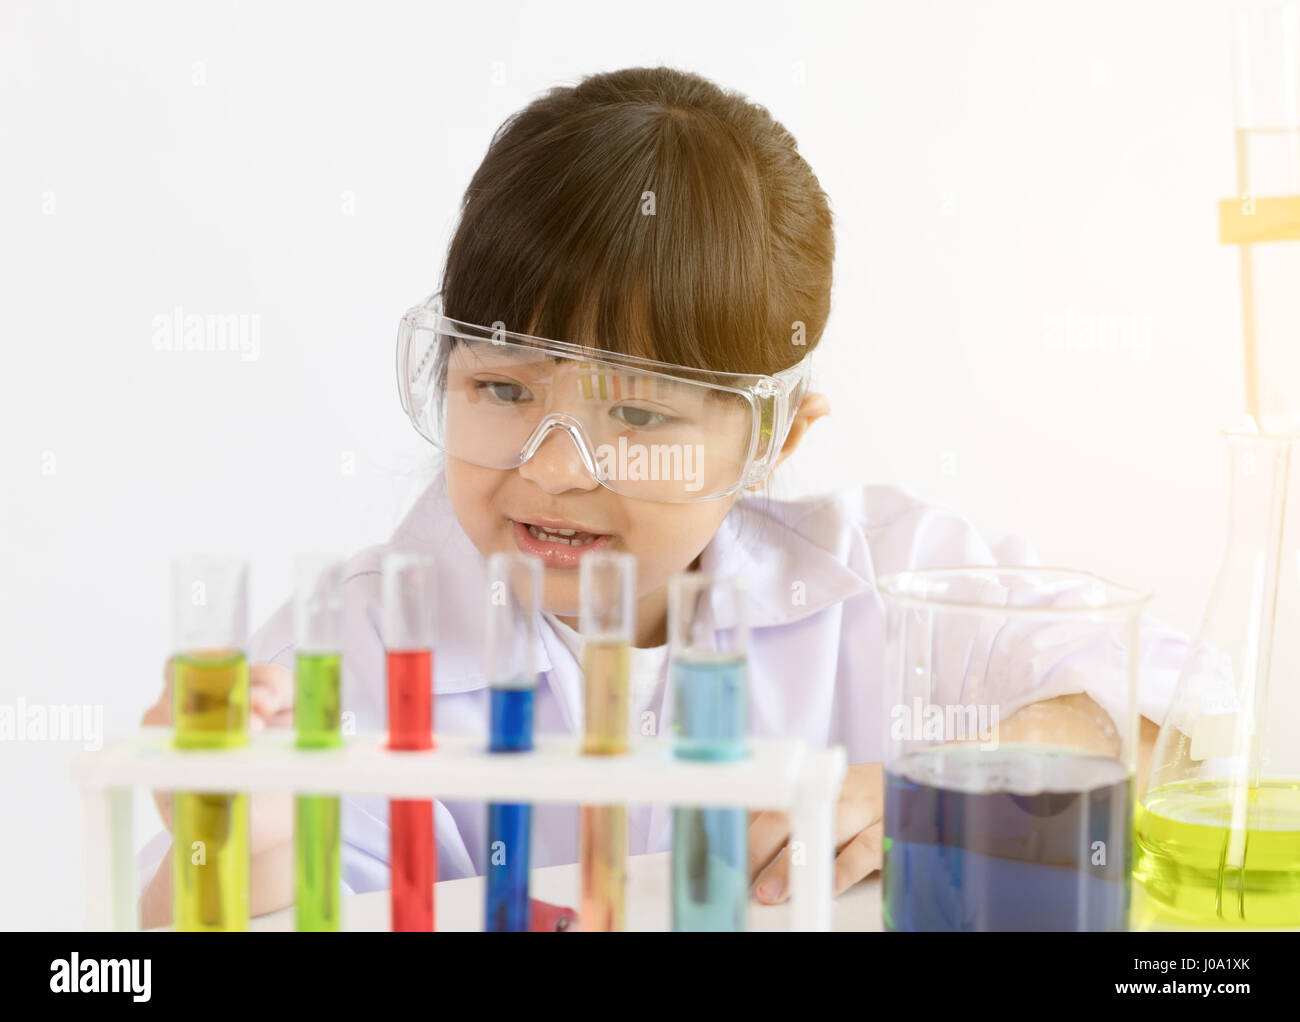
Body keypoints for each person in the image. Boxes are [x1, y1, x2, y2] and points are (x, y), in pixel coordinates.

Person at [137, 66, 1185, 928]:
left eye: (637, 417)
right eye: (502, 388)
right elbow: (225, 894)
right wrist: (239, 847)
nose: (554, 468)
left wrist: (952, 785)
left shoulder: (883, 576)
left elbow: (1171, 705)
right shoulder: (351, 653)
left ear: (773, 439)